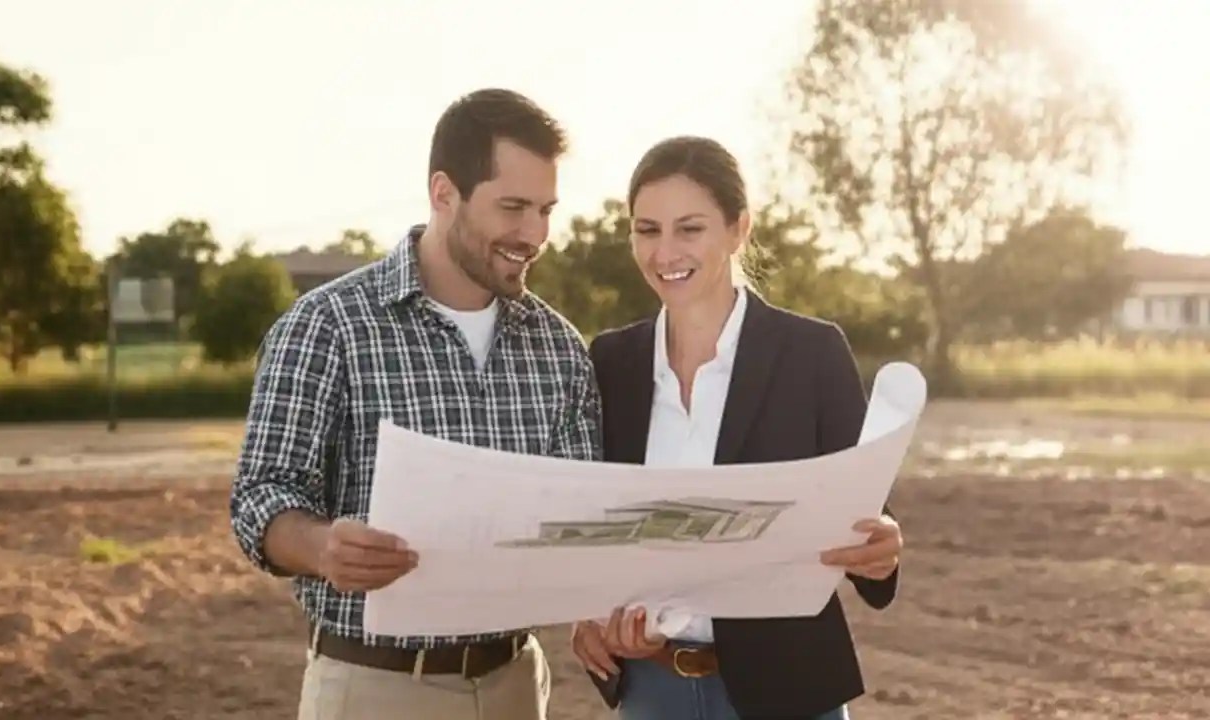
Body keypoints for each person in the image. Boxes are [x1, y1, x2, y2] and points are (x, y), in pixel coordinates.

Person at [229, 88, 601, 720]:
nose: (534, 234)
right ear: (443, 193)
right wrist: (322, 547)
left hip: (517, 684)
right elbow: (261, 495)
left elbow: (584, 510)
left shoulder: (559, 347)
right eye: (512, 207)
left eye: (545, 210)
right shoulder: (328, 325)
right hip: (375, 689)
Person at [571, 136, 904, 720]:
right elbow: (599, 530)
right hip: (654, 694)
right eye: (647, 230)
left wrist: (881, 548)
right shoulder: (612, 362)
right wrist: (600, 616)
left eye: (689, 228)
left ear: (738, 229)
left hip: (790, 692)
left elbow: (868, 523)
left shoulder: (812, 353)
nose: (664, 250)